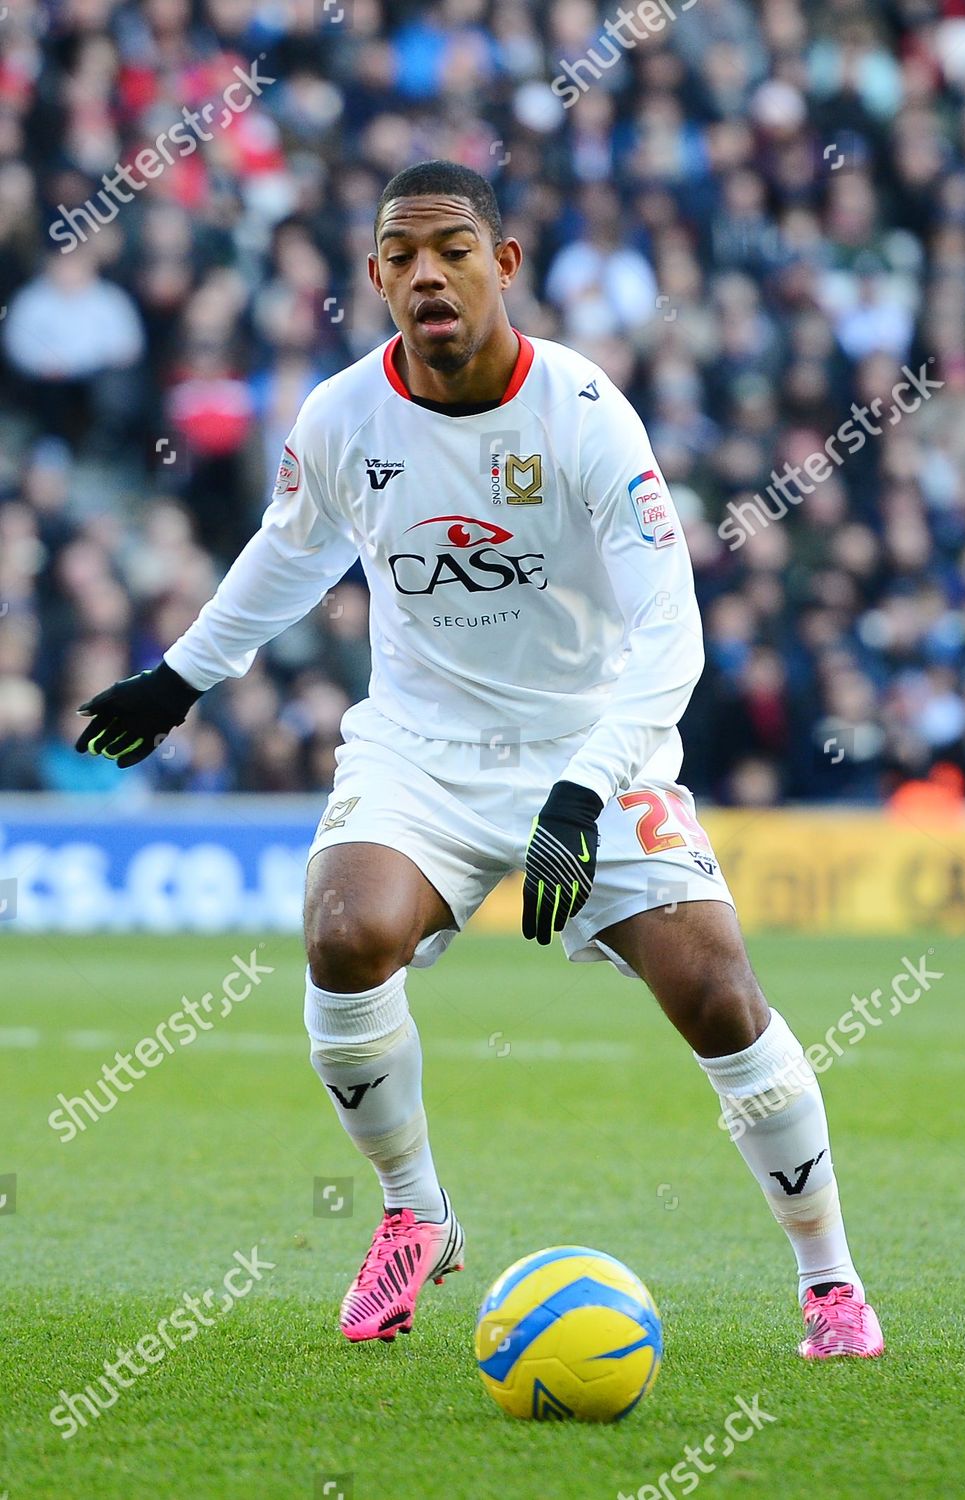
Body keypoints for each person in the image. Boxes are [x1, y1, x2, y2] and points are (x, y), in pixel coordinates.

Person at [75, 160, 883, 1359]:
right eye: (399, 256)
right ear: (375, 279)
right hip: (422, 752)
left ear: (503, 265)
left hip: (593, 750)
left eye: (452, 247)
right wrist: (186, 674)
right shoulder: (345, 414)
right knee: (344, 932)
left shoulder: (586, 412)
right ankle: (417, 1216)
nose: (425, 274)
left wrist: (581, 790)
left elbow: (676, 637)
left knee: (718, 996)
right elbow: (290, 549)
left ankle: (830, 1282)